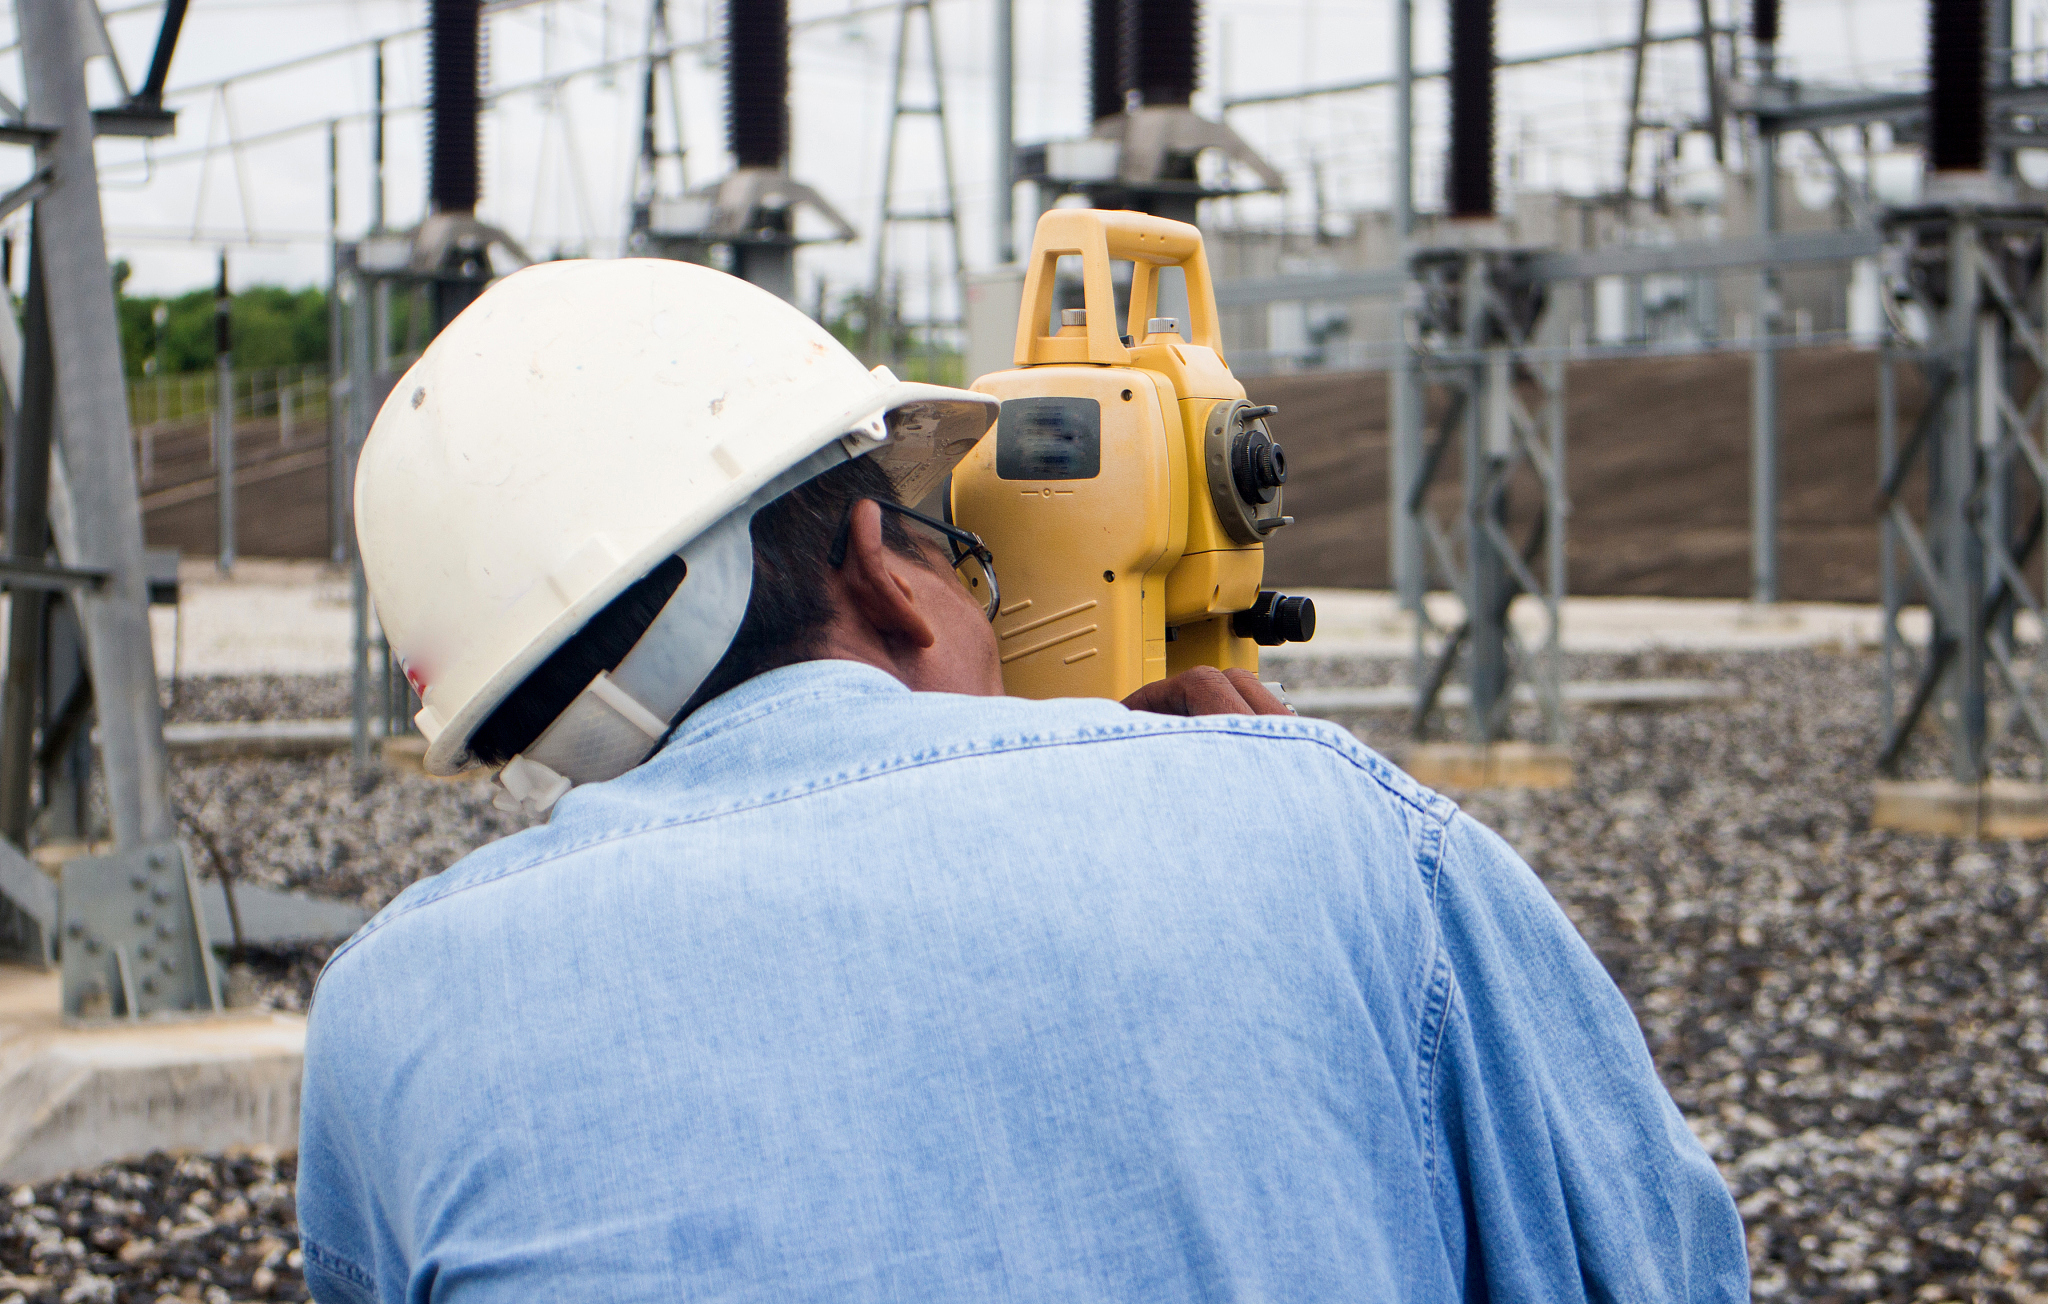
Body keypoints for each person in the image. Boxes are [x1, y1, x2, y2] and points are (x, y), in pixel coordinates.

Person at [298, 257, 1747, 1303]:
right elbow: (1661, 1268)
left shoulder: (388, 1017)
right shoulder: (1340, 837)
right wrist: (1282, 815)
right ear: (889, 578)